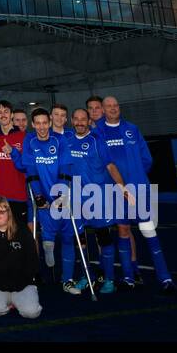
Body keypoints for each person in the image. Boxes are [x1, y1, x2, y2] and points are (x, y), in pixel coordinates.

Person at [93, 95, 177, 294]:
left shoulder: (132, 128)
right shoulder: (98, 132)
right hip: (115, 192)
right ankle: (129, 277)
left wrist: (136, 177)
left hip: (139, 190)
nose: (113, 108)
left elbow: (146, 159)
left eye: (116, 105)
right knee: (123, 231)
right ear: (103, 110)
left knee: (149, 231)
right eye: (109, 106)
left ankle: (165, 278)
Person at [59, 106, 132, 295]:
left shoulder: (97, 141)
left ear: (88, 121)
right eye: (76, 119)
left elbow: (110, 166)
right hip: (76, 200)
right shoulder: (66, 139)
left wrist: (122, 187)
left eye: (84, 119)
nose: (80, 122)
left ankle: (108, 278)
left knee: (104, 238)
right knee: (80, 240)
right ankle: (87, 276)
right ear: (72, 121)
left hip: (98, 199)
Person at [11, 108, 67, 284]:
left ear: (50, 123)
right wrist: (37, 195)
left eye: (45, 123)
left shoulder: (60, 140)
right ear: (33, 125)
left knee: (63, 227)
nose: (42, 127)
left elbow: (65, 168)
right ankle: (46, 248)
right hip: (38, 188)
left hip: (57, 186)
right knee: (39, 218)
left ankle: (50, 245)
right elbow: (30, 169)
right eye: (38, 123)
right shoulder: (30, 140)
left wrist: (60, 193)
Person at [0, 196, 42, 318]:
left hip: (22, 284)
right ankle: (8, 301)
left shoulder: (22, 230)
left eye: (1, 211)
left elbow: (32, 260)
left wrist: (21, 283)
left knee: (32, 313)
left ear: (8, 212)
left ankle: (18, 299)